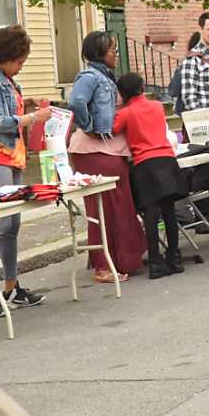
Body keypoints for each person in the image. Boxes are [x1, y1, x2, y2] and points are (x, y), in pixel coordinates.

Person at [0, 25, 51, 318]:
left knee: (13, 224)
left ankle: (11, 285)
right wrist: (31, 117)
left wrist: (24, 102)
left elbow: (8, 110)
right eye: (18, 62)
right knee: (0, 224)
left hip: (12, 154)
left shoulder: (5, 79)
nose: (20, 67)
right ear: (6, 56)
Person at [65, 29, 146, 283]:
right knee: (105, 206)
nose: (116, 54)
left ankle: (120, 259)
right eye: (113, 50)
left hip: (108, 148)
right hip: (95, 150)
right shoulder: (90, 76)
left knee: (119, 203)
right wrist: (90, 126)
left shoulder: (105, 77)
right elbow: (77, 102)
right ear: (101, 53)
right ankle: (104, 266)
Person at [114, 72, 199, 279]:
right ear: (142, 87)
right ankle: (174, 257)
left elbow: (113, 130)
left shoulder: (125, 113)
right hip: (167, 160)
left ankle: (155, 262)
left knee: (151, 216)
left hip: (145, 164)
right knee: (169, 211)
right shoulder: (157, 107)